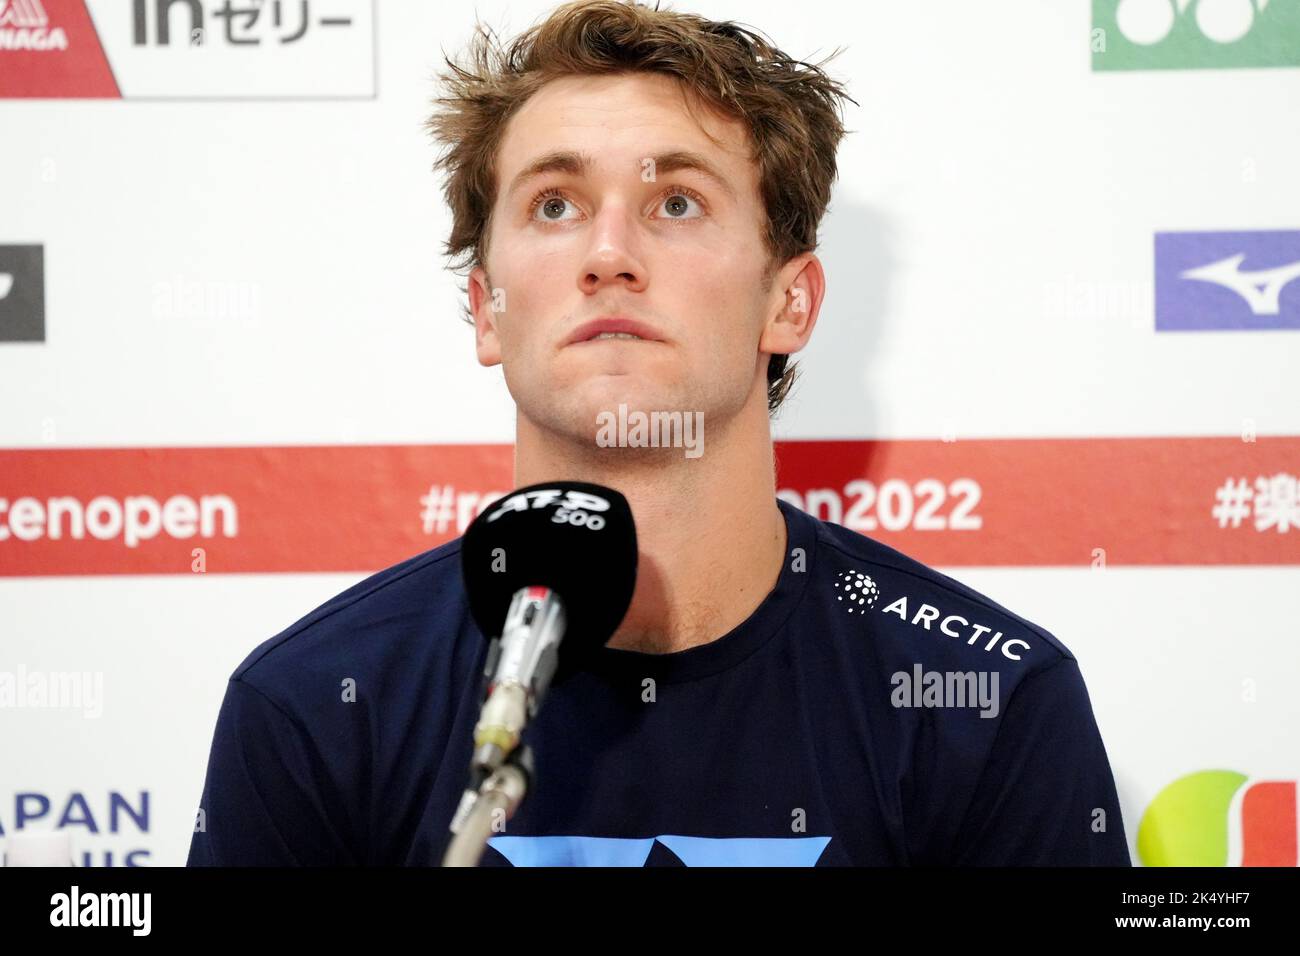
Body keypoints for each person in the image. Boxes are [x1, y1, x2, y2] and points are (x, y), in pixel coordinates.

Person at [187, 0, 1130, 866]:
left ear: (790, 301)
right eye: (553, 206)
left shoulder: (984, 699)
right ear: (485, 309)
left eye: (676, 204)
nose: (608, 256)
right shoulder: (319, 706)